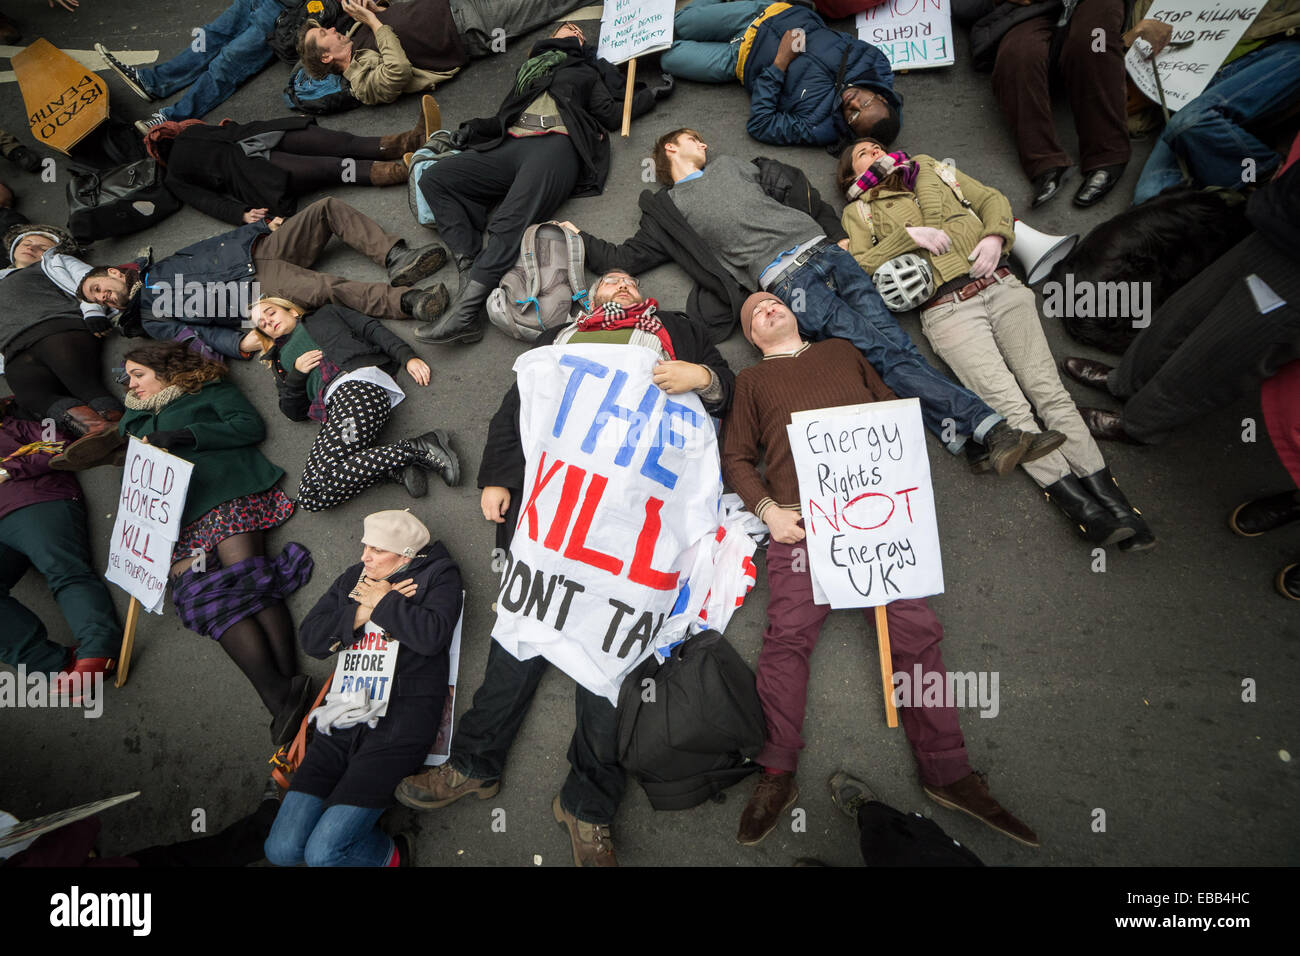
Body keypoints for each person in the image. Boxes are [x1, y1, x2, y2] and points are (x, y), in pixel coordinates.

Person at [394, 269, 735, 867]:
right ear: (589, 299)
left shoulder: (677, 331)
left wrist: (700, 376)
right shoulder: (562, 339)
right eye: (610, 281)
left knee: (618, 661)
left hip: (636, 522)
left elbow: (726, 391)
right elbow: (518, 411)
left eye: (631, 282)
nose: (623, 285)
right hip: (561, 514)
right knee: (521, 635)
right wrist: (500, 477)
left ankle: (588, 805)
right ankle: (474, 764)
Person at [721, 290, 1039, 849]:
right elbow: (736, 459)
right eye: (754, 313)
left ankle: (948, 771)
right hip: (802, 522)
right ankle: (776, 770)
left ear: (793, 314)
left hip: (880, 517)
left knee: (915, 633)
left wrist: (904, 484)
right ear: (751, 337)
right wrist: (768, 511)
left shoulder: (842, 350)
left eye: (772, 301)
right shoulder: (752, 384)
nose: (766, 308)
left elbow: (892, 407)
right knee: (786, 637)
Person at [570, 128, 1047, 473]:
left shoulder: (736, 166)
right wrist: (571, 236)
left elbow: (799, 189)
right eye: (695, 139)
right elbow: (623, 256)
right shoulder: (668, 210)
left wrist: (838, 234)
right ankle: (990, 429)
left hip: (829, 254)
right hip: (788, 281)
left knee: (892, 350)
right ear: (672, 146)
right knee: (882, 352)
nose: (705, 144)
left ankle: (970, 443)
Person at [838, 138, 1152, 549]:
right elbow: (858, 263)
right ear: (851, 174)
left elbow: (990, 200)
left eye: (876, 145)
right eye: (862, 153)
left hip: (1003, 288)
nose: (874, 152)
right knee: (1011, 410)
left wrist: (995, 237)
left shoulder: (931, 166)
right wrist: (908, 236)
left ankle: (1119, 506)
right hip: (946, 310)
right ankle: (1084, 512)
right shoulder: (857, 210)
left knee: (1050, 395)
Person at [411, 22, 666, 345]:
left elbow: (612, 113)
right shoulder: (529, 70)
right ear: (550, 36)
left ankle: (466, 313)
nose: (577, 32)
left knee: (509, 221)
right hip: (511, 143)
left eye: (580, 33)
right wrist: (472, 131)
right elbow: (503, 117)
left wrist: (651, 95)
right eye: (569, 28)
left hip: (556, 145)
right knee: (436, 178)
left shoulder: (586, 69)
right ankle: (471, 268)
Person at [117, 342, 315, 747]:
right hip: (179, 521)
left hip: (228, 491)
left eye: (138, 374)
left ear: (165, 369)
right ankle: (283, 692)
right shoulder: (131, 420)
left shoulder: (206, 389)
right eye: (128, 377)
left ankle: (281, 696)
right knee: (196, 596)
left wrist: (184, 435)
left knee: (244, 578)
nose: (130, 383)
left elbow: (249, 427)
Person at [1063, 145, 1300, 447]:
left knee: (1221, 350)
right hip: (1284, 221)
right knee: (1188, 308)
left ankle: (1141, 424)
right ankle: (1126, 380)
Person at [264, 509, 462, 868]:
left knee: (323, 854)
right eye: (365, 546)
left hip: (397, 724)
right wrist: (362, 612)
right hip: (342, 717)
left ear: (404, 555)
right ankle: (349, 824)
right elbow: (311, 638)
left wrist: (385, 601)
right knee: (280, 851)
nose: (363, 557)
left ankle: (392, 854)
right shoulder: (356, 577)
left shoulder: (438, 574)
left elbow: (432, 635)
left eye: (376, 550)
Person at [78, 197, 451, 360]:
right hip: (254, 292)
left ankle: (397, 257)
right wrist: (242, 343)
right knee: (322, 288)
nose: (104, 298)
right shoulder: (149, 316)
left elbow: (210, 246)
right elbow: (195, 337)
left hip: (258, 249)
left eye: (99, 289)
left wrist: (258, 227)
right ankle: (408, 301)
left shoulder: (151, 268)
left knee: (326, 209)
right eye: (98, 301)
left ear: (113, 273)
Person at [247, 296, 461, 511]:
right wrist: (297, 374)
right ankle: (392, 466)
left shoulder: (325, 314)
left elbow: (371, 329)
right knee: (309, 497)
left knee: (329, 472)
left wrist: (407, 356)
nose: (268, 321)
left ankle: (419, 448)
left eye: (271, 312)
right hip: (334, 410)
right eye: (263, 325)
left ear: (291, 311)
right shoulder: (280, 363)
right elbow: (292, 411)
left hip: (357, 388)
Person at [953, 0, 1130, 208]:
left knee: (1093, 42)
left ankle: (1108, 154)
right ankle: (1045, 162)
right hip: (1032, 9)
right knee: (1016, 55)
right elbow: (962, 7)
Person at [0, 397, 120, 697]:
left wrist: (7, 469)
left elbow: (59, 443)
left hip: (31, 501)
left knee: (64, 571)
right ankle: (52, 666)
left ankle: (98, 650)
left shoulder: (10, 426)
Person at [660, 0, 902, 148]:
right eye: (866, 102)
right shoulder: (876, 63)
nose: (853, 103)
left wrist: (780, 63)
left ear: (851, 131)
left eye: (853, 116)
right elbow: (831, 34)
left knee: (667, 57)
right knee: (678, 24)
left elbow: (760, 125)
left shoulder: (821, 129)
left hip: (738, 61)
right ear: (881, 97)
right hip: (765, 16)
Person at [1131, 0, 1300, 204]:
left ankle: (1269, 183)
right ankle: (1244, 189)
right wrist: (1137, 34)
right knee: (1149, 198)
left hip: (1281, 47)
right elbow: (1133, 37)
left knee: (1192, 122)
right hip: (1200, 74)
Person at [143, 112, 429, 226]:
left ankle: (410, 141)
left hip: (258, 135)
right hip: (253, 170)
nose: (163, 132)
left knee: (338, 144)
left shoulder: (189, 130)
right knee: (331, 165)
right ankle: (401, 171)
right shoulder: (175, 177)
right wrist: (241, 214)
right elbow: (207, 202)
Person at [0, 224, 123, 470]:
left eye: (41, 245)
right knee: (32, 396)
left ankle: (119, 426)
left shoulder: (56, 262)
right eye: (26, 243)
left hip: (55, 327)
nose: (32, 247)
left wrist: (92, 311)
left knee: (79, 382)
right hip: (14, 348)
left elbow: (91, 281)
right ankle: (99, 431)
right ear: (13, 250)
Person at [95, 0, 295, 131]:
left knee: (228, 62)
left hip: (288, 14)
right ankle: (152, 82)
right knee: (209, 35)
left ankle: (170, 118)